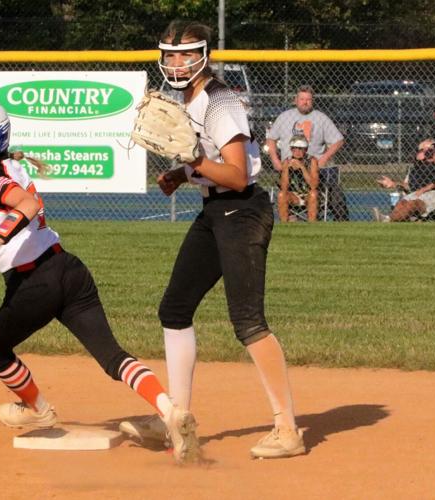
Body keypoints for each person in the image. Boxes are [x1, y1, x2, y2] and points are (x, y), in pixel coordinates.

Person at [0, 99, 200, 464]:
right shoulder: (7, 165)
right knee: (112, 357)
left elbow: (26, 207)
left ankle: (37, 408)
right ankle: (170, 412)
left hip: (36, 280)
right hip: (67, 269)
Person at [119, 20, 305, 460]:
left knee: (248, 321)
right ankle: (176, 419)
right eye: (170, 54)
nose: (177, 62)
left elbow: (237, 174)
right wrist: (183, 174)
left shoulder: (221, 101)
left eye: (186, 54)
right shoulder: (188, 98)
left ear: (205, 55)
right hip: (215, 210)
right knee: (174, 308)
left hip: (242, 211)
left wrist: (194, 162)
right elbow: (207, 163)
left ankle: (287, 429)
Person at [266, 85, 346, 221]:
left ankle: (314, 222)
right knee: (283, 192)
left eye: (308, 99)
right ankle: (289, 219)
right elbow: (271, 138)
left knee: (317, 191)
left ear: (312, 101)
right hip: (288, 166)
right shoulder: (284, 117)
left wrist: (324, 158)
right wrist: (275, 160)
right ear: (295, 100)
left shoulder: (321, 118)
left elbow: (339, 140)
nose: (305, 102)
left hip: (312, 167)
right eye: (302, 99)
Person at [373, 137, 435, 222]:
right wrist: (394, 184)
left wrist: (431, 186)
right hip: (419, 192)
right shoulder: (421, 168)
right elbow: (411, 186)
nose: (434, 153)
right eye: (433, 150)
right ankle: (389, 219)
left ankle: (387, 219)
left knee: (414, 204)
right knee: (402, 203)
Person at [277, 134, 319, 222]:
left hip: (308, 194)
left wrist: (302, 167)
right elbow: (284, 187)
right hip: (294, 196)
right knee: (281, 195)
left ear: (306, 149)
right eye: (294, 148)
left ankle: (312, 226)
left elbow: (314, 186)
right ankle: (284, 225)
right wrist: (286, 169)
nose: (297, 151)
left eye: (300, 148)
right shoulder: (287, 161)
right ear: (291, 149)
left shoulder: (312, 161)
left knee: (313, 194)